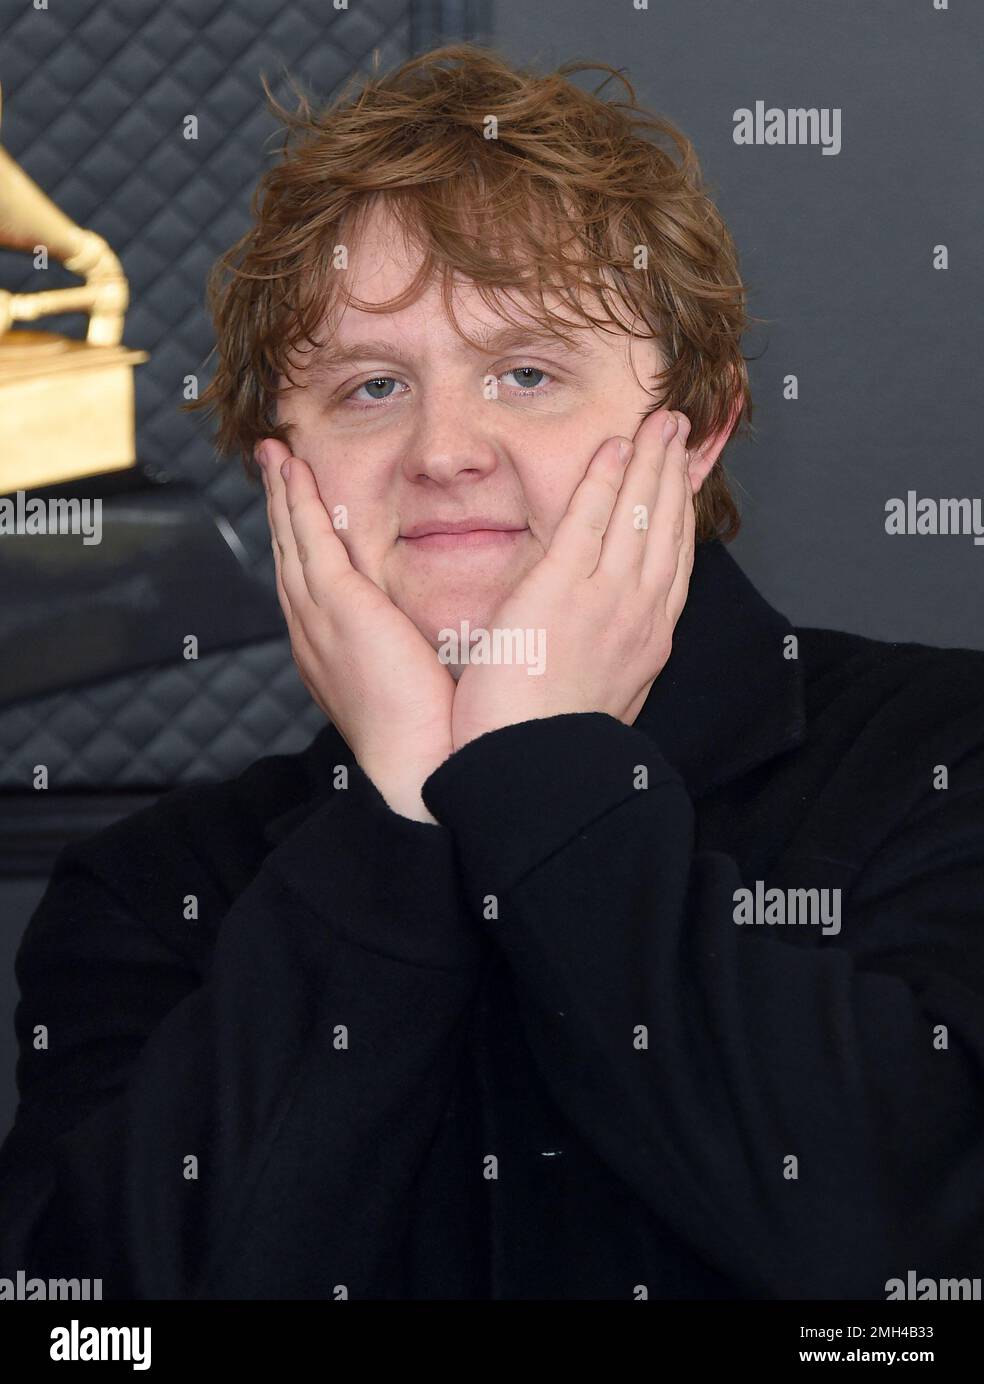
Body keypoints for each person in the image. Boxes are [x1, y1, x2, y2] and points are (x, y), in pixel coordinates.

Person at [1, 42, 982, 1302]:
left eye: (527, 372)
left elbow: (913, 1264)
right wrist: (404, 815)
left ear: (701, 429)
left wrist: (542, 771)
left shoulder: (945, 767)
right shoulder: (155, 896)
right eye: (370, 386)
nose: (444, 450)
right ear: (279, 471)